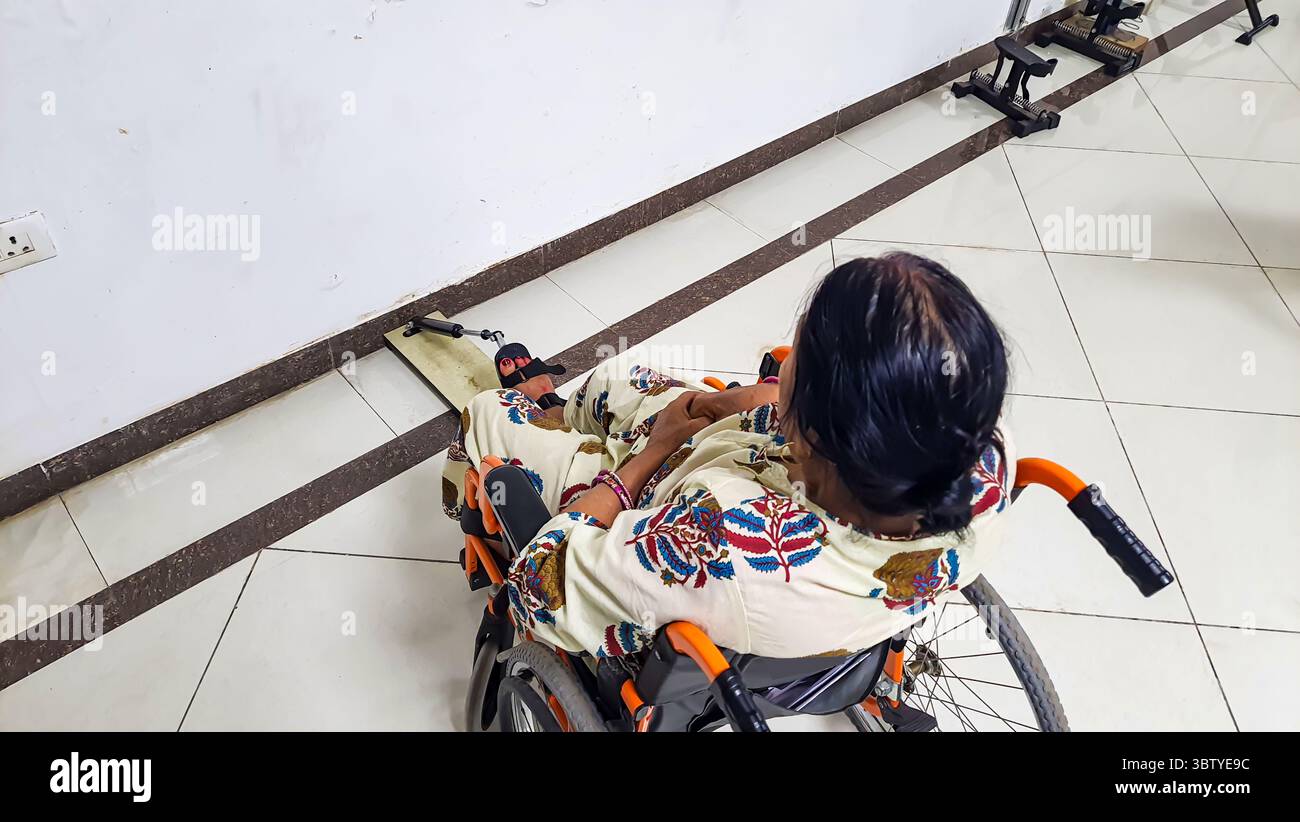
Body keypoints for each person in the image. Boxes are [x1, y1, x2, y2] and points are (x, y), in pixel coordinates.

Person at [442, 251, 1013, 660]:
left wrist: (648, 456)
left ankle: (530, 418)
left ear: (814, 427)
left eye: (799, 360)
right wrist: (742, 401)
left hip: (635, 500)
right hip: (746, 452)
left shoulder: (720, 544)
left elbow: (539, 590)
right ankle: (567, 412)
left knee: (488, 412)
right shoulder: (981, 462)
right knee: (614, 379)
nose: (782, 360)